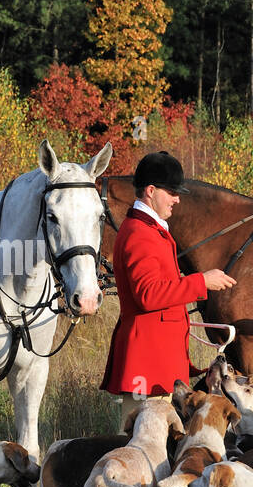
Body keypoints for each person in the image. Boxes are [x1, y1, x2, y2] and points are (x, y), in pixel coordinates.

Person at [101, 151, 236, 424]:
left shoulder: (150, 229)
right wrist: (202, 281)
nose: (177, 199)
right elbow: (149, 295)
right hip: (147, 364)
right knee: (140, 451)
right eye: (172, 192)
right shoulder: (140, 233)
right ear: (151, 191)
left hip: (158, 363)